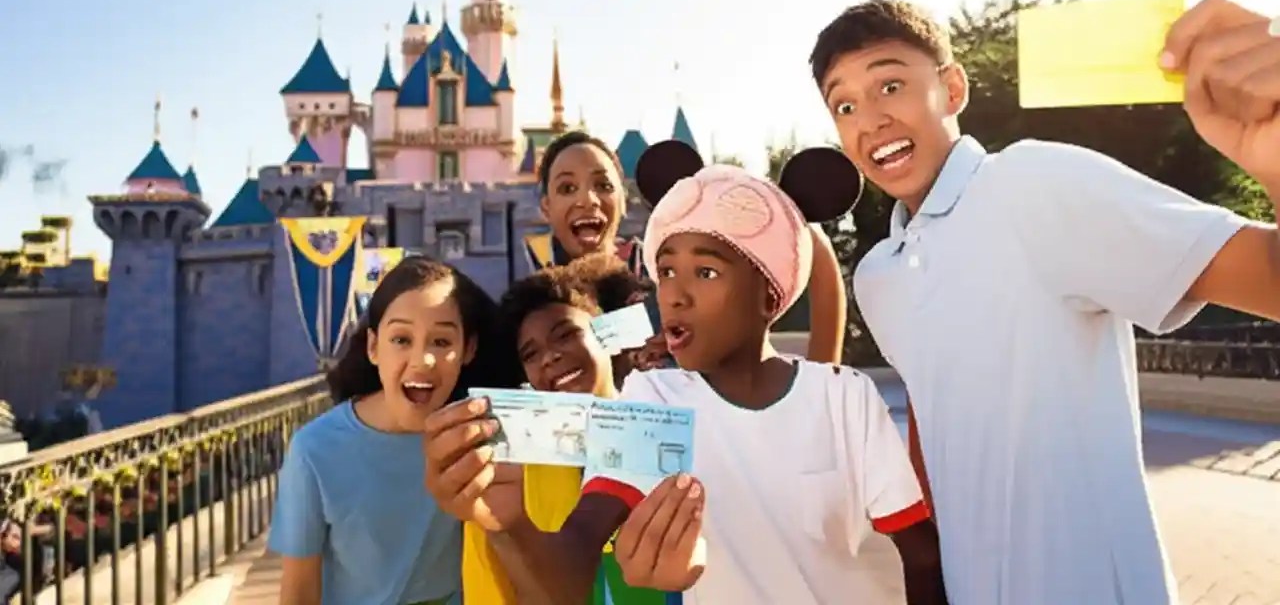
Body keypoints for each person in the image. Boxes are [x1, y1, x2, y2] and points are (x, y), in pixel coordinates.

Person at [807, 0, 1280, 604]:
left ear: (952, 89)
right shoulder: (878, 275)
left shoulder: (1033, 184)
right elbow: (932, 420)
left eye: (890, 85)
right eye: (844, 105)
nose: (870, 118)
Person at [425, 144, 947, 604]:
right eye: (667, 270)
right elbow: (572, 567)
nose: (674, 292)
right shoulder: (651, 399)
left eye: (706, 271)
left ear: (770, 293)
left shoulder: (844, 398)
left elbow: (920, 557)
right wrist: (511, 525)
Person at [268, 256, 521, 605]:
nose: (422, 360)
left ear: (468, 349)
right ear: (374, 347)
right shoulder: (313, 450)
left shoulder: (481, 434)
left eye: (442, 342)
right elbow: (298, 591)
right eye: (402, 339)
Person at [536, 130, 850, 368]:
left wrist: (823, 383)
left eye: (603, 186)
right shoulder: (534, 302)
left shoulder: (667, 271)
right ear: (546, 207)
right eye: (567, 188)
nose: (587, 200)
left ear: (623, 199)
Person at [462, 253, 674, 604]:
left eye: (566, 335)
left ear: (605, 337)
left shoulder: (665, 432)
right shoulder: (508, 470)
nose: (550, 357)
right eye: (530, 355)